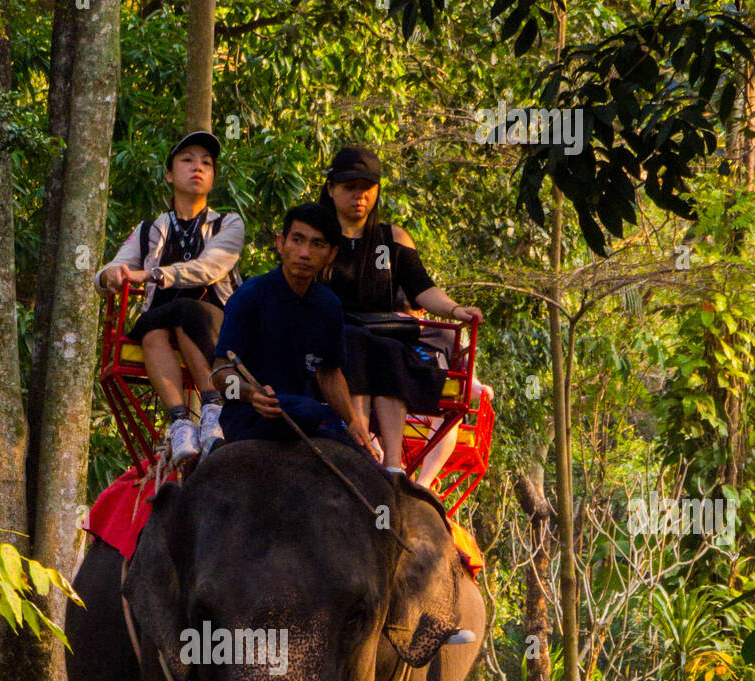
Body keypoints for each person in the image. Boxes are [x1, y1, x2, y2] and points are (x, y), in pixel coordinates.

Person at [319, 145, 493, 487]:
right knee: (355, 343)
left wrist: (457, 310)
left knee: (389, 351)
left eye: (366, 188)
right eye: (349, 187)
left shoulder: (391, 240)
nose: (359, 196)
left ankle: (394, 466)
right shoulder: (318, 237)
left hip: (384, 334)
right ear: (331, 188)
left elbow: (422, 288)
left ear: (377, 190)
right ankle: (362, 449)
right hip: (333, 334)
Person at [95, 131, 245, 465]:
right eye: (187, 160)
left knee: (185, 312)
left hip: (214, 319)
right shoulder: (150, 228)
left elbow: (207, 269)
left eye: (207, 163)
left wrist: (152, 275)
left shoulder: (228, 224)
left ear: (213, 177)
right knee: (153, 325)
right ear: (168, 174)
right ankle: (180, 422)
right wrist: (109, 276)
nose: (198, 167)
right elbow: (114, 267)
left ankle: (212, 409)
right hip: (161, 322)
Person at [211, 203, 379, 458]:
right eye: (297, 240)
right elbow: (221, 375)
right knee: (308, 410)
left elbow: (330, 374)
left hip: (303, 412)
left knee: (363, 459)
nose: (304, 253)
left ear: (331, 254)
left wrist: (354, 421)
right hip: (251, 416)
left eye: (317, 245)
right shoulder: (249, 297)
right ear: (281, 243)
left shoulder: (328, 305)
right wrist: (250, 394)